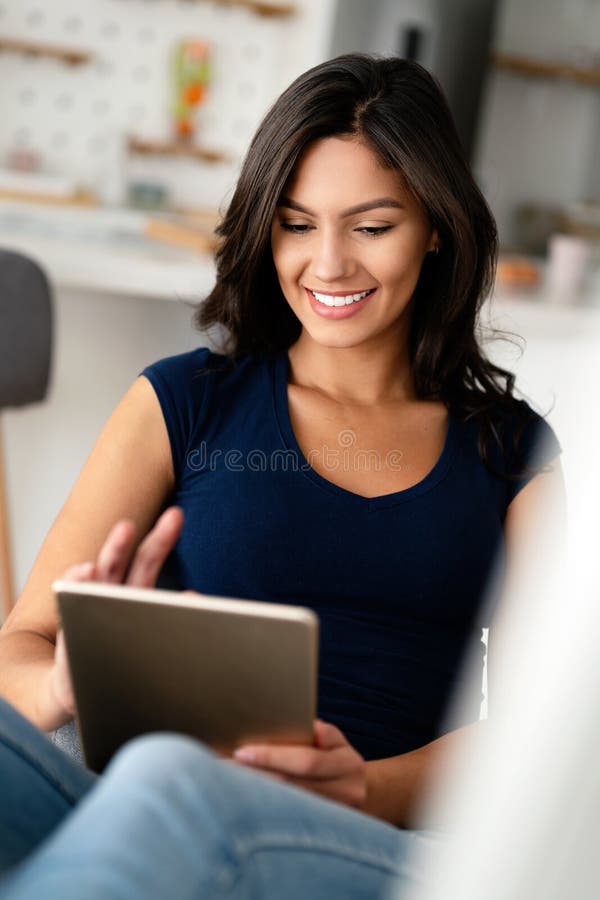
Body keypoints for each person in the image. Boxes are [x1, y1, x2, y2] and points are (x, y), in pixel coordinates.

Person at [0, 53, 563, 897]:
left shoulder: (513, 456)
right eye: (297, 225)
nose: (327, 264)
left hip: (376, 840)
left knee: (178, 780)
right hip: (138, 802)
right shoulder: (183, 402)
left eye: (371, 227)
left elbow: (539, 735)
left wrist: (365, 786)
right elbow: (21, 645)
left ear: (436, 227)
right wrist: (55, 686)